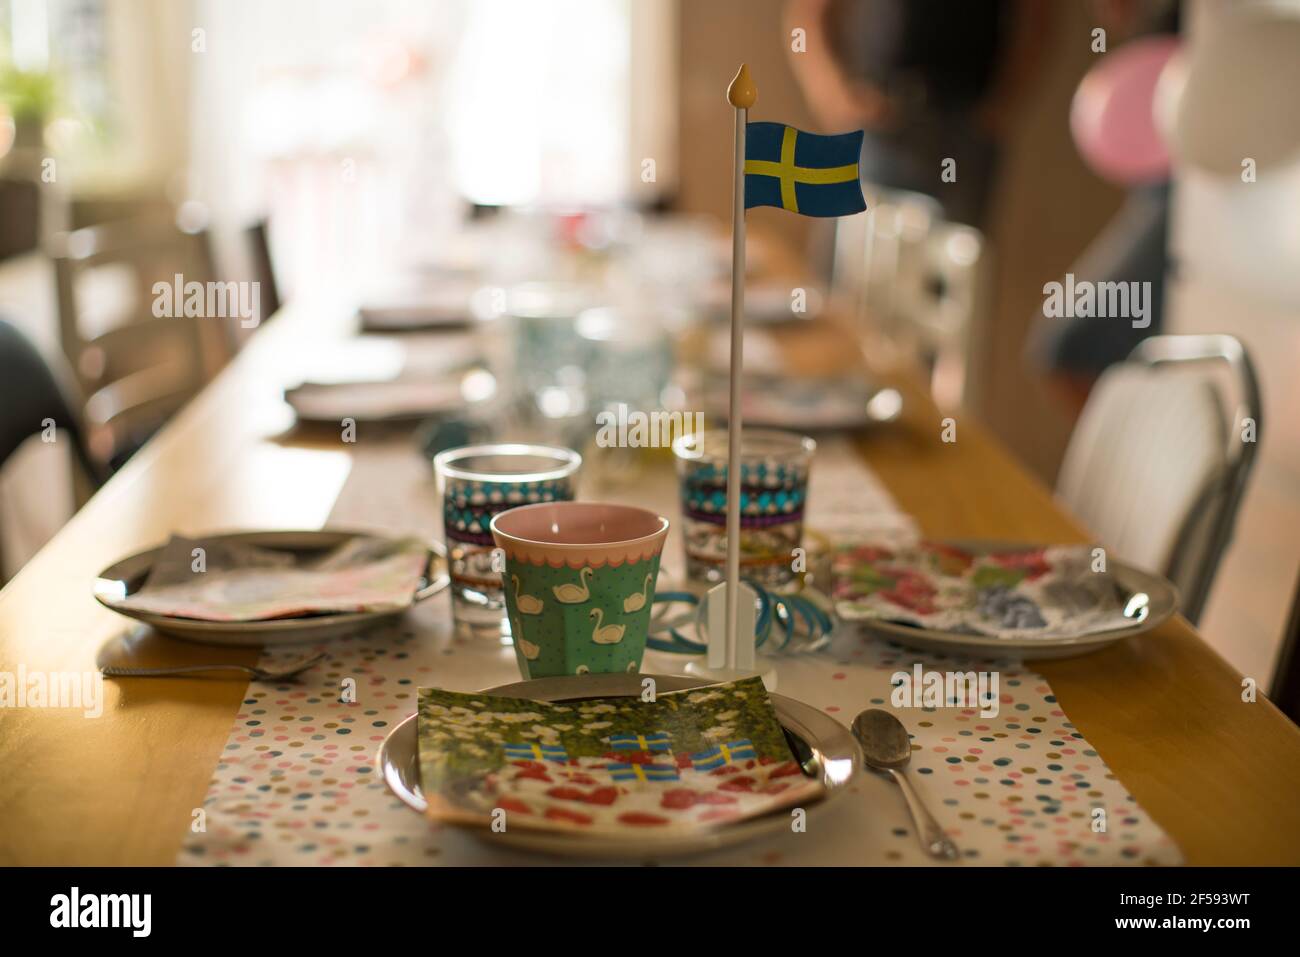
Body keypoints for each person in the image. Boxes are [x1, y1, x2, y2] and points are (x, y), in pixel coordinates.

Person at [784, 0, 1052, 228]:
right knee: (854, 263)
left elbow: (1038, 17)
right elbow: (807, 14)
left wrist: (1004, 105)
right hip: (879, 128)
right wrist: (835, 98)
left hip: (966, 132)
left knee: (949, 274)